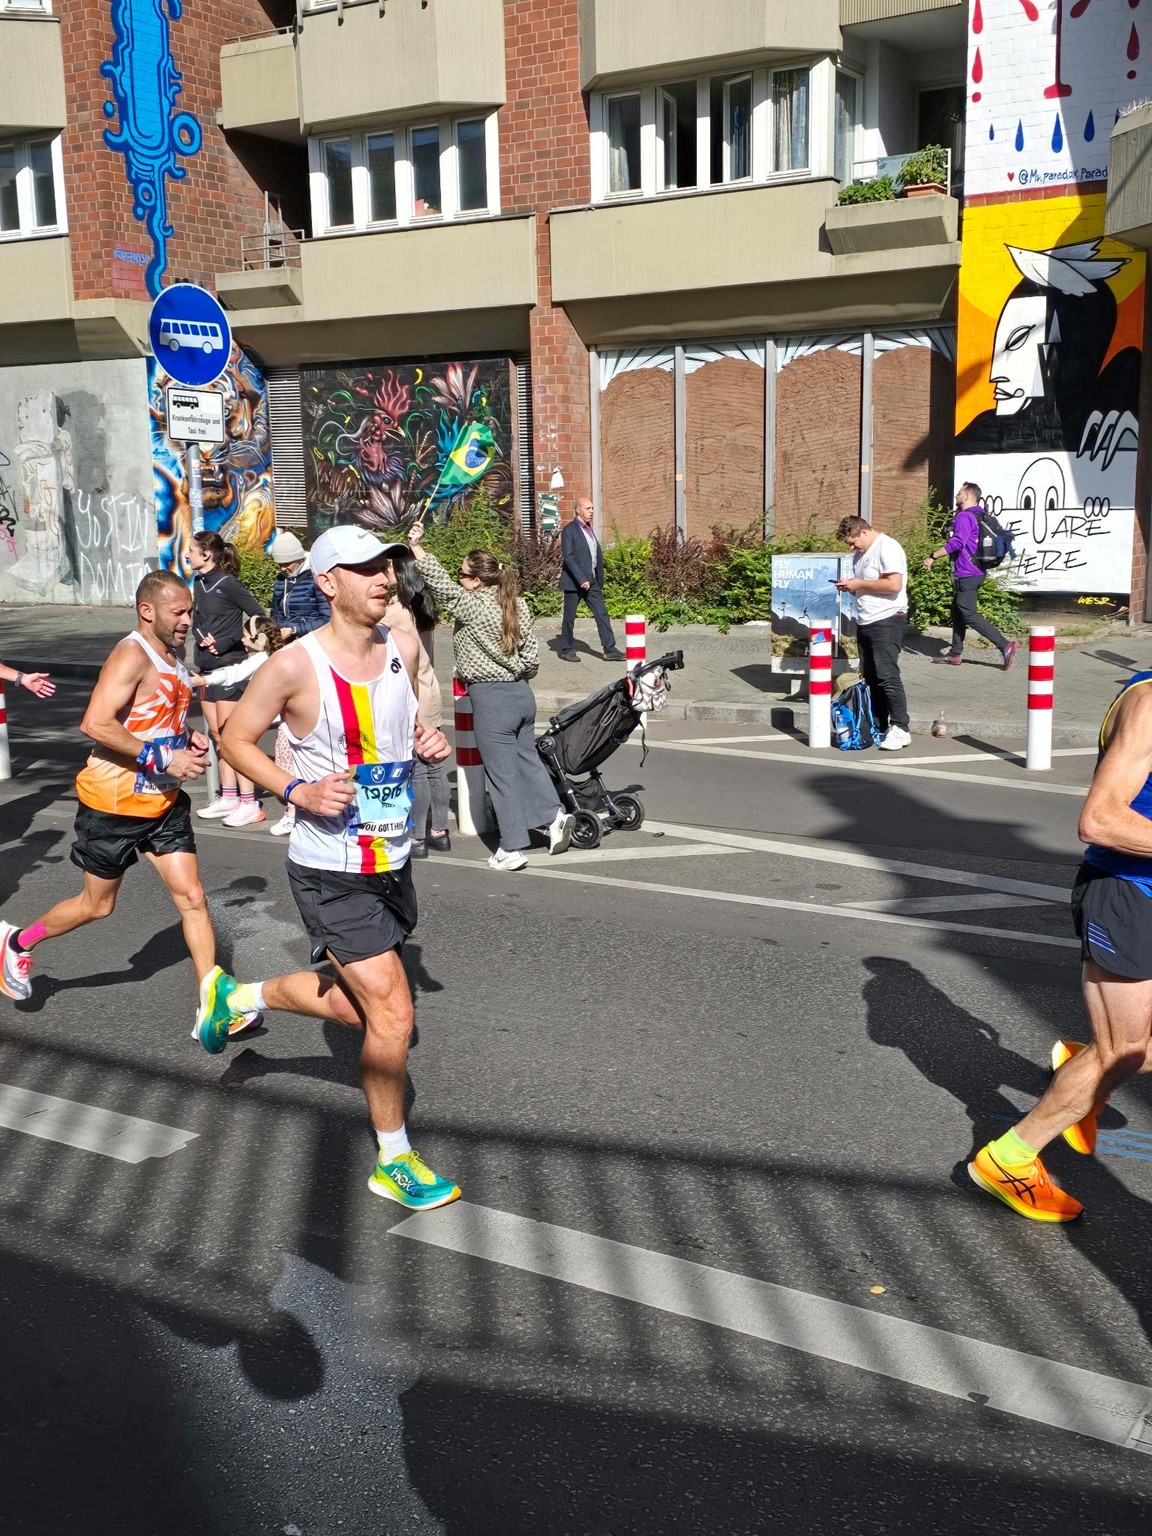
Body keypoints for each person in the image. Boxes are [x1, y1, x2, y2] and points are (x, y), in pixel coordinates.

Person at [218, 524, 461, 1211]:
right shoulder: (295, 665)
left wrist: (425, 738)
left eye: (387, 566)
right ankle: (394, 1158)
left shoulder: (402, 646)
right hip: (329, 867)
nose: (384, 577)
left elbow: (400, 730)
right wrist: (294, 790)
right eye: (364, 569)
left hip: (393, 859)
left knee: (362, 1009)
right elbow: (233, 737)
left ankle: (237, 999)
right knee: (392, 1013)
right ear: (327, 582)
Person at [0, 571, 253, 1047]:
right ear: (147, 611)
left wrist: (186, 739)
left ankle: (214, 1006)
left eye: (189, 611)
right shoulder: (131, 653)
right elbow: (95, 722)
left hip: (162, 802)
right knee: (97, 906)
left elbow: (151, 718)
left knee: (194, 897)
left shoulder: (172, 653)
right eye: (178, 613)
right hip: (112, 802)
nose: (187, 621)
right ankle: (16, 942)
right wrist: (162, 755)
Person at [968, 668, 1152, 1221]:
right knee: (1125, 1051)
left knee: (1121, 1050)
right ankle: (1011, 1157)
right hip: (1127, 897)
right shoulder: (1149, 705)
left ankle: (1086, 1066)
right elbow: (1099, 819)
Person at [406, 521, 573, 872]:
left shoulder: (471, 606)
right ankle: (554, 814)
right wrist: (517, 673)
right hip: (521, 694)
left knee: (501, 774)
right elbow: (531, 658)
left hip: (491, 696)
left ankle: (511, 847)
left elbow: (440, 585)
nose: (459, 578)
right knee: (526, 759)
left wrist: (418, 547)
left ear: (476, 580)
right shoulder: (517, 605)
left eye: (462, 573)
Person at [188, 531, 268, 826]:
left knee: (233, 736)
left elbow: (258, 617)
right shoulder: (199, 582)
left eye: (191, 551)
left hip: (229, 665)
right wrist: (200, 637)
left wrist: (224, 642)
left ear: (207, 555)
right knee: (218, 736)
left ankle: (250, 802)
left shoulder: (229, 584)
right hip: (206, 666)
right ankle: (229, 796)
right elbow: (197, 618)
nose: (187, 555)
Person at [385, 550, 451, 859]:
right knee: (434, 764)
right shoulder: (423, 606)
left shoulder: (396, 612)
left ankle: (418, 836)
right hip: (430, 688)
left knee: (419, 770)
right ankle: (441, 831)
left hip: (411, 692)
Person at [835, 516, 911, 752]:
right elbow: (866, 586)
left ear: (863, 532)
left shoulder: (887, 547)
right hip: (866, 620)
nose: (851, 547)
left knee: (887, 675)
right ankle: (878, 723)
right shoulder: (860, 555)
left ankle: (901, 728)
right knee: (872, 677)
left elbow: (893, 585)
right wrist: (850, 587)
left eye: (853, 542)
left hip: (887, 619)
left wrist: (859, 584)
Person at [925, 483, 1018, 671]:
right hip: (975, 570)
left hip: (968, 572)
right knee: (958, 611)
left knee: (967, 611)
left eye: (959, 493)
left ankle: (1004, 644)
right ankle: (955, 653)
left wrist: (933, 556)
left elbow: (957, 543)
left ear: (966, 496)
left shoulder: (966, 516)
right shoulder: (979, 514)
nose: (956, 496)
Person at [558, 496, 625, 663]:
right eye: (588, 509)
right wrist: (581, 578)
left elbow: (594, 555)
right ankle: (567, 649)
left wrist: (596, 578)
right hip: (574, 582)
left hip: (592, 581)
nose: (592, 511)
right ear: (578, 510)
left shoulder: (588, 529)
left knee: (601, 613)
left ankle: (609, 650)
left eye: (592, 508)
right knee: (569, 618)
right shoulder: (570, 530)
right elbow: (569, 557)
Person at [268, 529, 330, 642]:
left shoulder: (315, 578)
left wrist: (295, 629)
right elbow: (275, 613)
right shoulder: (280, 580)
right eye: (280, 564)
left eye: (287, 563)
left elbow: (327, 618)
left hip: (311, 641)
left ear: (298, 559)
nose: (283, 569)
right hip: (285, 642)